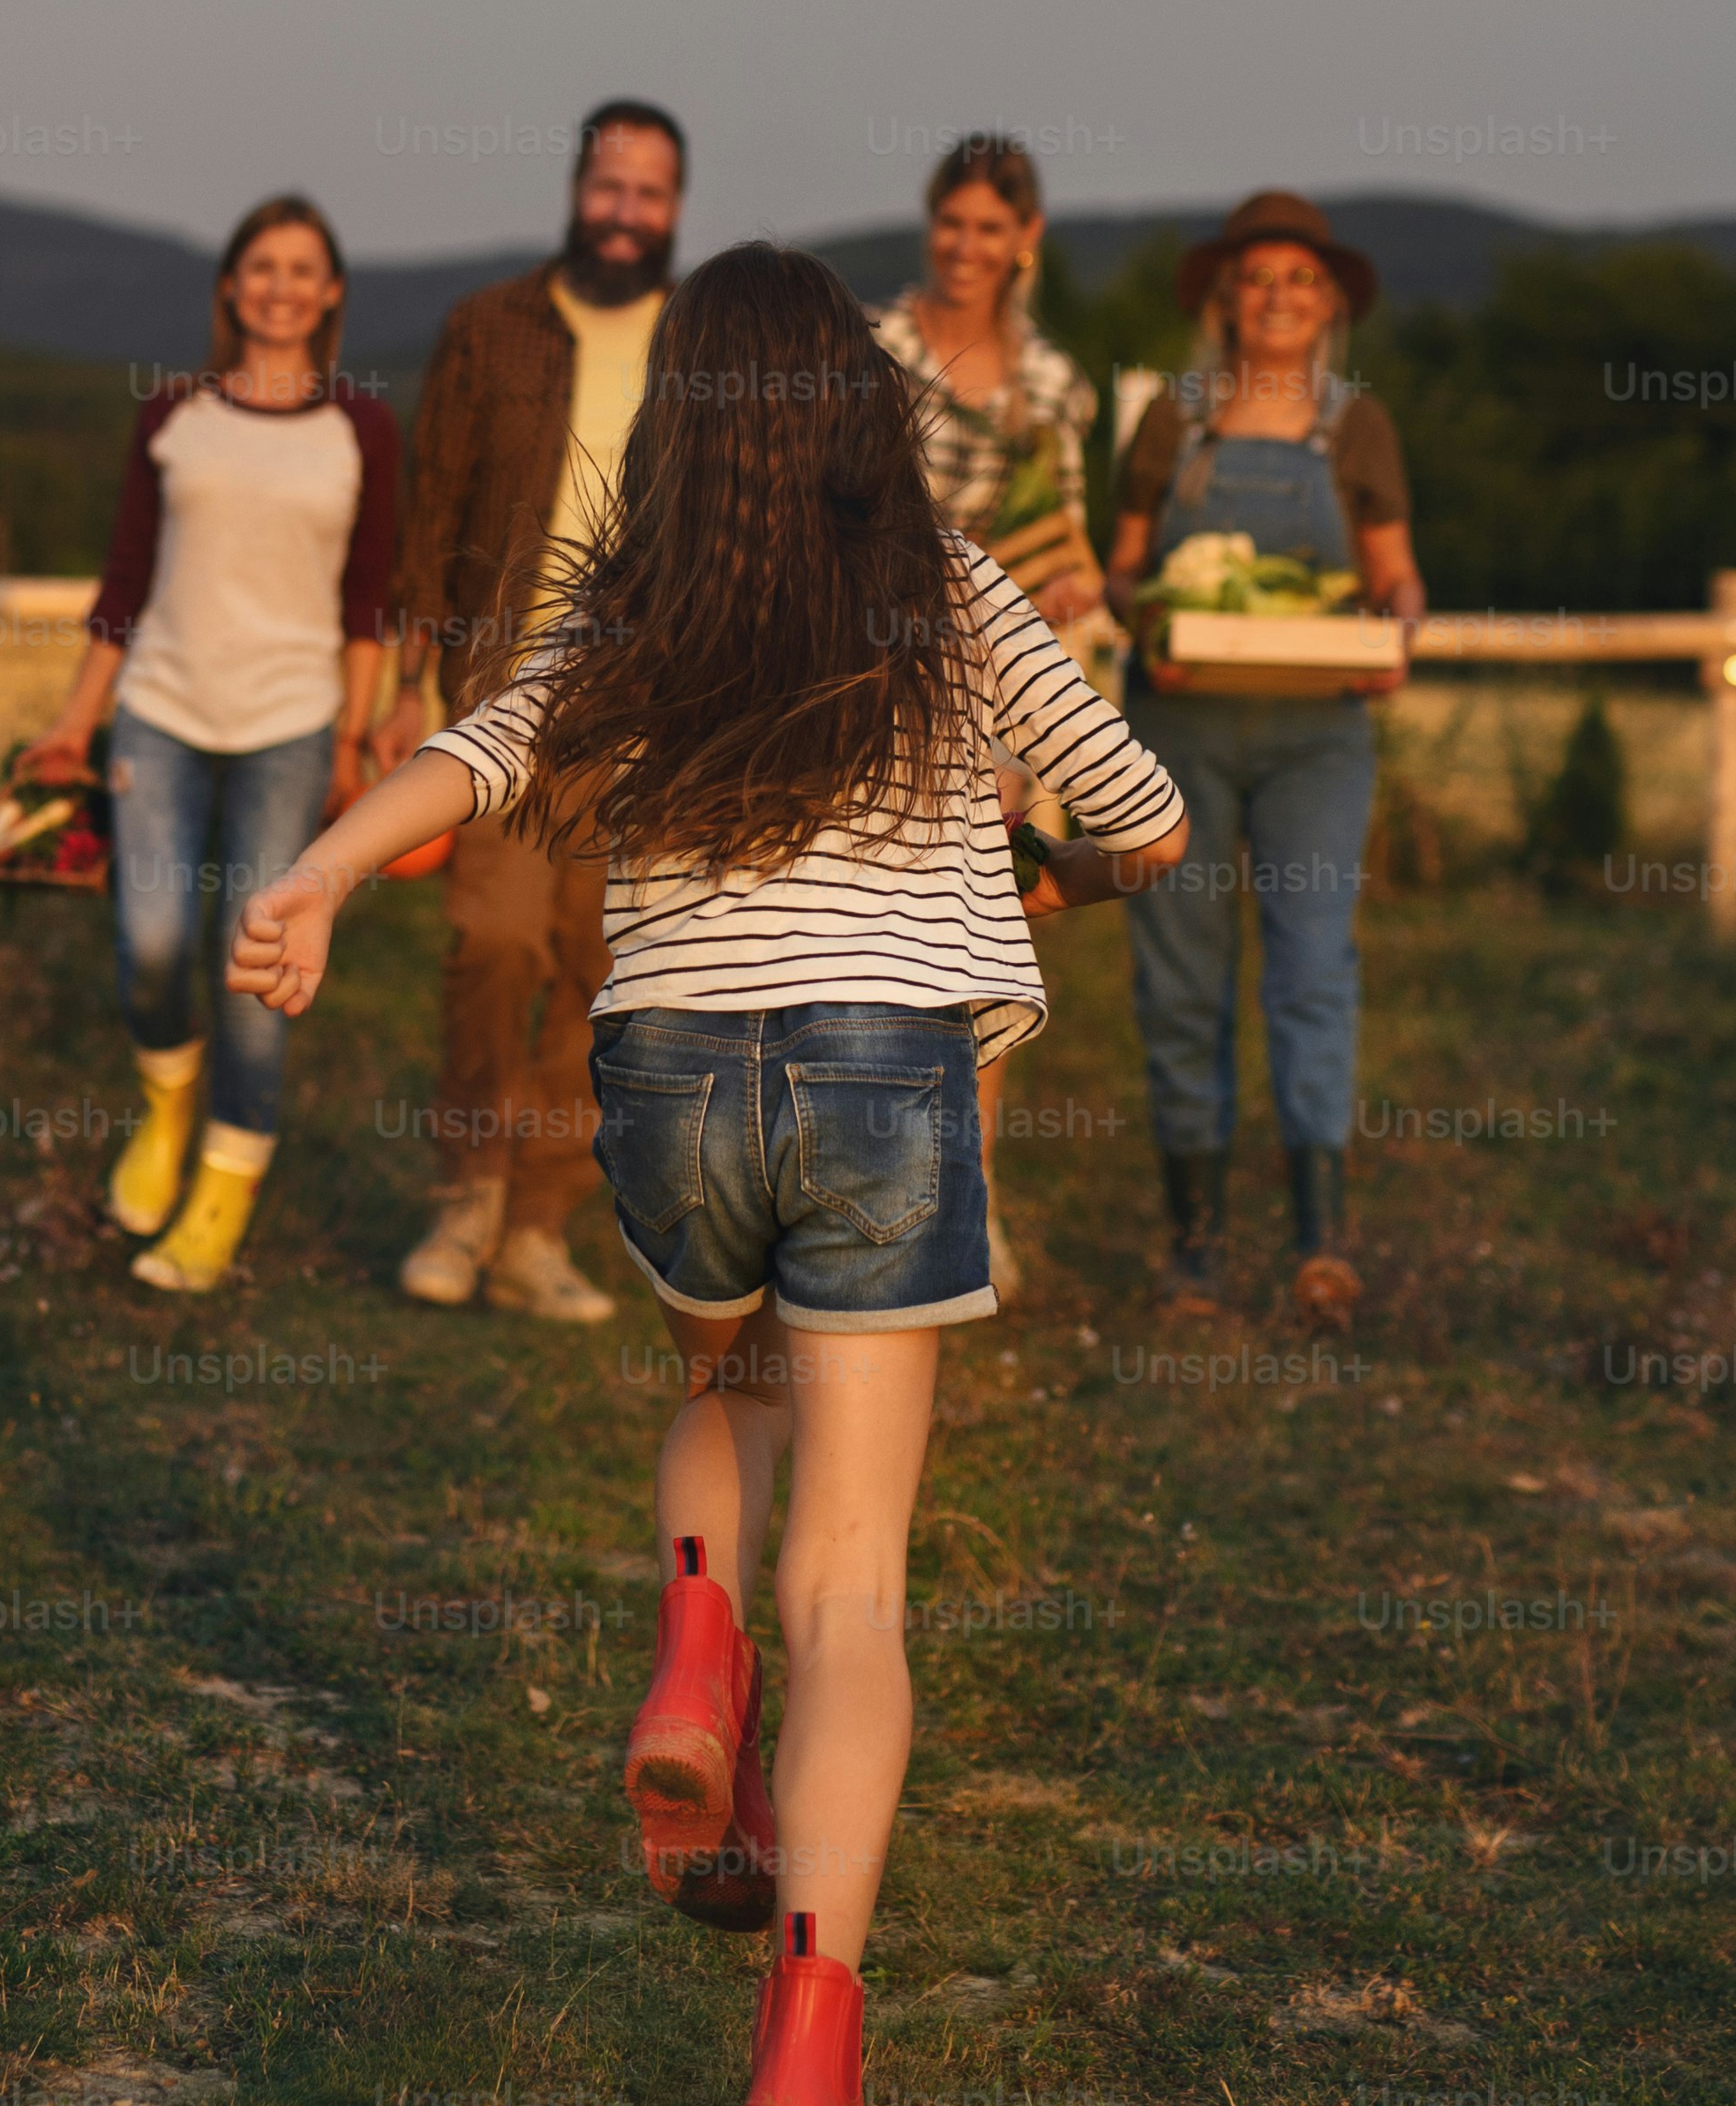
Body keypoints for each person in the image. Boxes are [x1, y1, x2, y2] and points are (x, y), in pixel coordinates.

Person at [235, 244, 1187, 2106]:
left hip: (669, 1073)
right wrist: (1037, 883)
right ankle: (813, 2029)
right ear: (860, 410)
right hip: (884, 1075)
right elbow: (1142, 815)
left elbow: (477, 747)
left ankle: (690, 1650)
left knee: (720, 1384)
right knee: (852, 1586)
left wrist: (319, 875)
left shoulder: (639, 603)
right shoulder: (952, 587)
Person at [19, 195, 398, 1293]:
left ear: (330, 293)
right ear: (231, 286)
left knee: (254, 962)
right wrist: (73, 720)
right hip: (161, 709)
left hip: (292, 721)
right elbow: (126, 578)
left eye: (303, 269)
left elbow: (366, 599)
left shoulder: (362, 427)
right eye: (261, 266)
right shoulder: (172, 414)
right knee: (147, 940)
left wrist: (354, 737)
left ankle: (225, 1181)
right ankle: (166, 1101)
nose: (280, 285)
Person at [372, 101, 686, 1322]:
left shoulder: (701, 344)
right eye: (609, 188)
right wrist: (407, 690)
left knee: (607, 971)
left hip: (648, 709)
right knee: (493, 943)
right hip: (502, 690)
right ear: (576, 190)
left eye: (649, 194)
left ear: (675, 209)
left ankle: (540, 1225)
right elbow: (432, 503)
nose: (625, 213)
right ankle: (466, 1194)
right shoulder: (489, 328)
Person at [1101, 192, 1425, 1321]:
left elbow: (1395, 572)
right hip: (1177, 728)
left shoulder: (1357, 428)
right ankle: (1194, 1251)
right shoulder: (1173, 423)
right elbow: (1126, 566)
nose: (1278, 295)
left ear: (1328, 299)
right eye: (1257, 277)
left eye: (1300, 277)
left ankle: (1319, 1242)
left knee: (1312, 971)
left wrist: (1398, 633)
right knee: (1183, 980)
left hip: (1318, 736)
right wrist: (1151, 622)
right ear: (1225, 299)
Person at [866, 132, 1103, 1304]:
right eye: (950, 224)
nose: (966, 248)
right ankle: (859, 1184)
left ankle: (972, 1200)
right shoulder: (878, 350)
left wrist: (1065, 589)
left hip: (997, 695)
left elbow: (1072, 541)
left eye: (989, 229)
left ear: (1027, 242)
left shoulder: (1058, 387)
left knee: (984, 940)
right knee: (867, 942)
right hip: (878, 680)